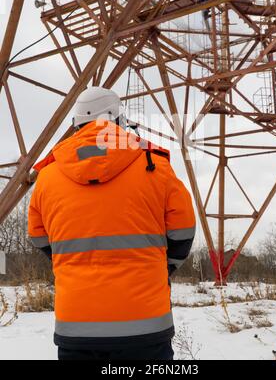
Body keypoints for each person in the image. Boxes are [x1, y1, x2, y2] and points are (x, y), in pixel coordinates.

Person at [28, 87, 195, 361]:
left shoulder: (47, 175)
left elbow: (38, 236)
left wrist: (70, 263)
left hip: (76, 327)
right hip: (147, 325)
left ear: (76, 125)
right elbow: (183, 231)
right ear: (118, 120)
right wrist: (162, 269)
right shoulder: (154, 164)